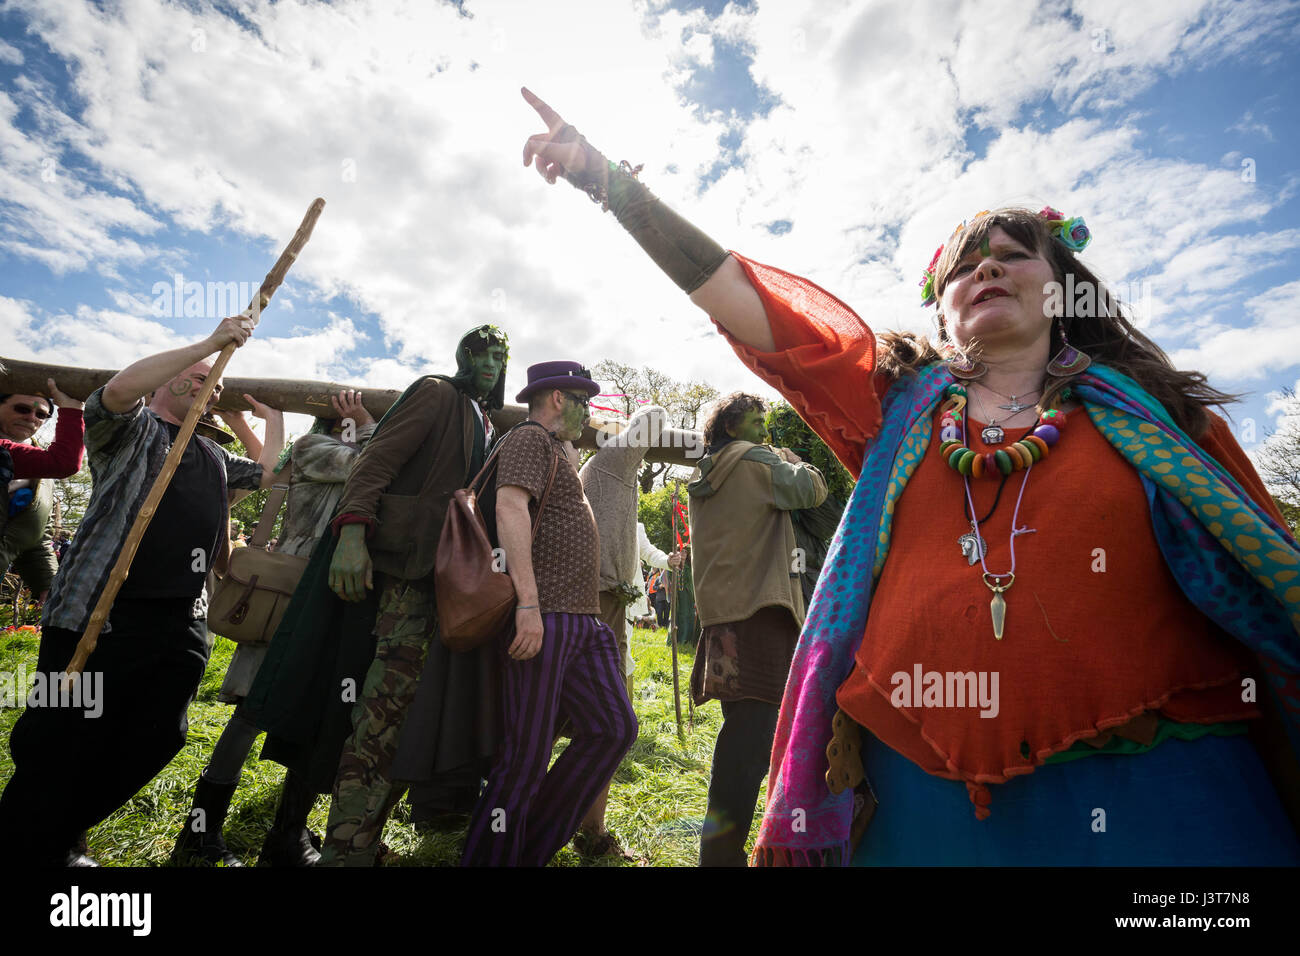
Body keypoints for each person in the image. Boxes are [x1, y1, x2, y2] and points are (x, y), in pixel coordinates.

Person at [519, 90, 1300, 866]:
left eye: (1014, 251)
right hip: (921, 804)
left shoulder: (1176, 426)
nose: (987, 264)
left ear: (1063, 286)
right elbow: (742, 297)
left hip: (1166, 795)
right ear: (944, 313)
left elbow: (1274, 588)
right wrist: (604, 180)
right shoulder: (894, 409)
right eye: (964, 264)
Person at [0, 316, 285, 866]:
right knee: (58, 740)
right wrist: (209, 346)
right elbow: (117, 393)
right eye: (197, 377)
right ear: (165, 379)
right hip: (99, 616)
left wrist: (267, 418)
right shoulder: (129, 430)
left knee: (159, 737)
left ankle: (59, 829)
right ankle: (28, 843)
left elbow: (271, 473)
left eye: (216, 380)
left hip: (179, 623)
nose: (211, 382)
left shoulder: (213, 456)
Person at [247, 326, 509, 867]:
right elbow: (375, 461)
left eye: (498, 354)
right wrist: (351, 532)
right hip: (403, 579)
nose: (489, 362)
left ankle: (360, 838)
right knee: (381, 716)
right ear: (461, 358)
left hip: (447, 586)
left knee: (409, 715)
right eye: (478, 352)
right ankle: (347, 849)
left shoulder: (485, 421)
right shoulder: (436, 392)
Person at [172, 389, 377, 867]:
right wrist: (367, 425)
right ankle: (199, 834)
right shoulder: (315, 448)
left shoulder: (349, 447)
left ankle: (286, 834)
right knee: (251, 711)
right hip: (290, 592)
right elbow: (370, 469)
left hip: (328, 595)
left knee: (314, 713)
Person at [460, 361, 638, 867]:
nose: (590, 412)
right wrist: (529, 606)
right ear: (558, 399)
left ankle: (532, 847)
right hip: (547, 617)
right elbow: (510, 508)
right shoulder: (529, 438)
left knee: (615, 728)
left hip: (585, 623)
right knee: (526, 756)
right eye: (584, 401)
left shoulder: (563, 448)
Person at [686, 392, 827, 865]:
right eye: (756, 419)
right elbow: (814, 491)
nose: (764, 428)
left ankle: (721, 848)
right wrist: (793, 460)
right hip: (762, 615)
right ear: (732, 425)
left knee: (741, 734)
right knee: (750, 743)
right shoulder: (759, 463)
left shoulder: (705, 471)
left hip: (723, 616)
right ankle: (720, 854)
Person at [573, 405, 683, 859]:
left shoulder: (606, 475)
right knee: (611, 721)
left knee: (605, 718)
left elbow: (644, 550)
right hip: (599, 604)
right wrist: (624, 429)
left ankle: (586, 826)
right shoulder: (609, 461)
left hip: (604, 600)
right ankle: (587, 829)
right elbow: (654, 416)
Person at [0, 390, 84, 602]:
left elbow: (36, 536)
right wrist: (73, 409)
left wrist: (48, 584)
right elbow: (64, 462)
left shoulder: (42, 473)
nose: (31, 417)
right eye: (22, 409)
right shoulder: (43, 462)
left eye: (41, 415)